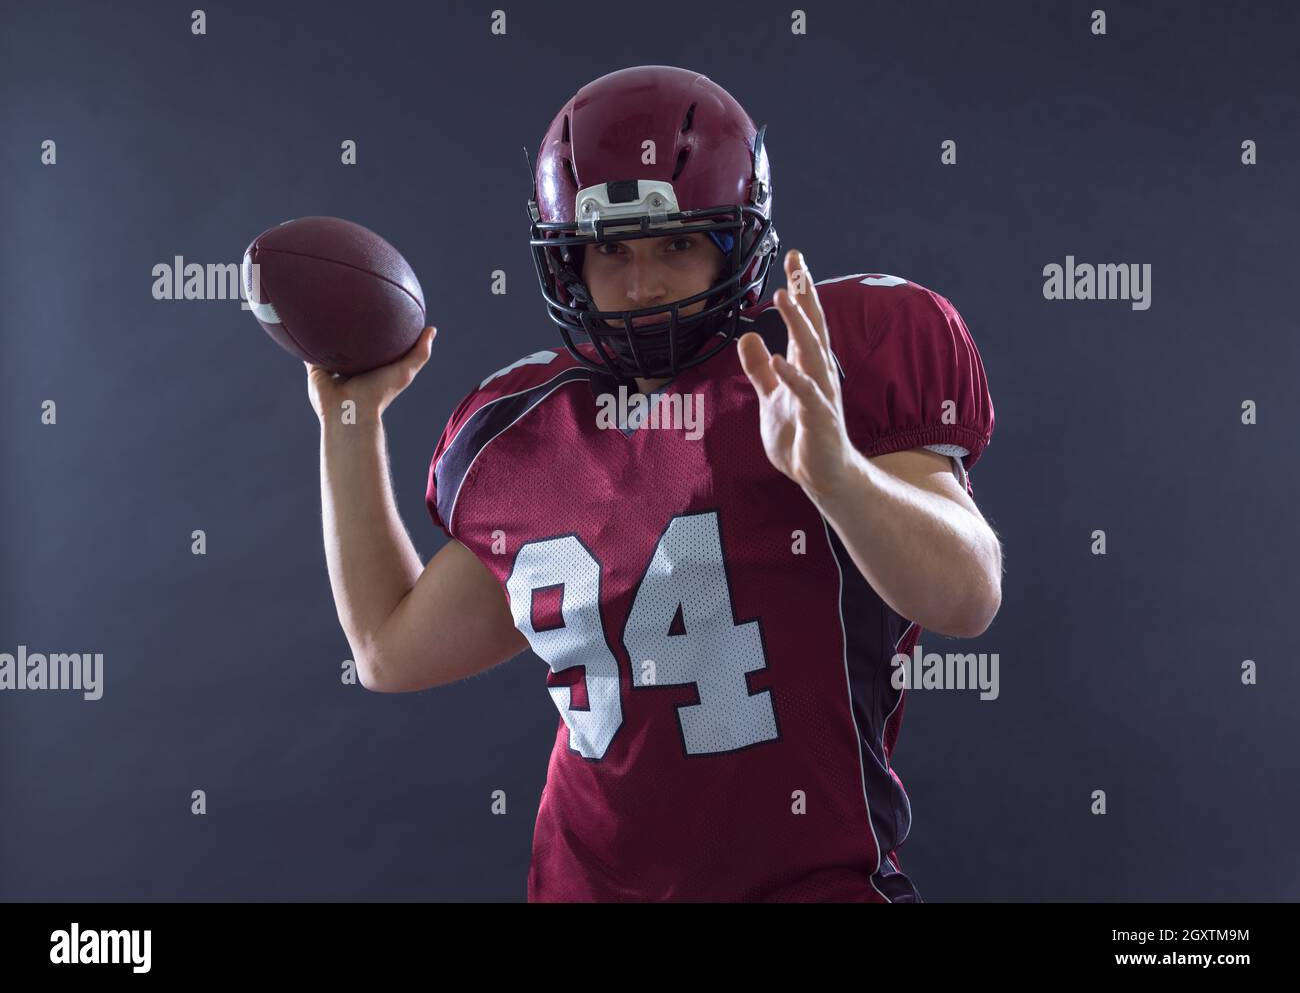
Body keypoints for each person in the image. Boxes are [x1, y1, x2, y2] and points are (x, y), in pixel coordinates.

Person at [310, 65, 1001, 903]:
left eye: (676, 243)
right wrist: (350, 424)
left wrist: (838, 475)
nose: (641, 284)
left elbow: (970, 595)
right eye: (611, 249)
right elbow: (388, 648)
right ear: (568, 259)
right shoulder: (522, 428)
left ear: (736, 240)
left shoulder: (818, 366)